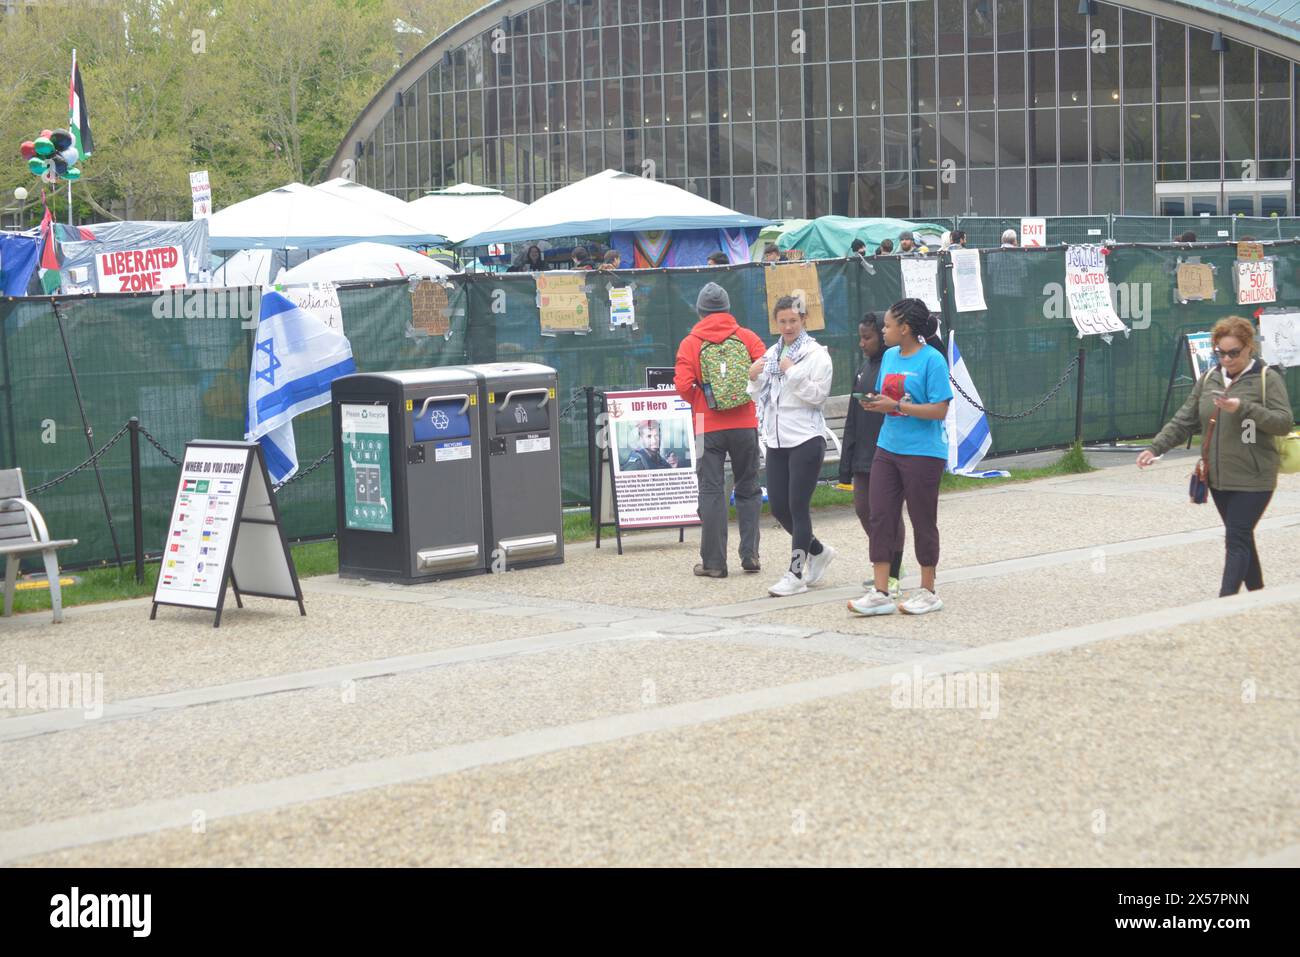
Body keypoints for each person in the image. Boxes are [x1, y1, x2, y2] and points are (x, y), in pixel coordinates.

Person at [1139, 317, 1293, 596]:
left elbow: (1283, 422)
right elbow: (1184, 420)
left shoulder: (1266, 379)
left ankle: (1224, 605)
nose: (1227, 359)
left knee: (1236, 539)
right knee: (1242, 537)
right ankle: (1259, 596)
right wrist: (1155, 448)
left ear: (1249, 349)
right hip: (1219, 478)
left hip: (1255, 478)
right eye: (1220, 353)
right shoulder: (1210, 379)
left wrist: (1244, 407)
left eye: (1233, 352)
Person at [849, 298, 952, 617]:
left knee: (923, 519)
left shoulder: (932, 360)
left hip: (923, 452)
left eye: (889, 325)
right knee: (880, 516)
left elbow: (940, 409)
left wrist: (896, 407)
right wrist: (875, 403)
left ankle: (928, 590)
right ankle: (881, 592)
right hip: (887, 447)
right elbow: (888, 397)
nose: (884, 330)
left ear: (905, 329)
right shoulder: (890, 357)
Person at [674, 282, 767, 578]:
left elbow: (682, 385)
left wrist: (703, 402)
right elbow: (764, 369)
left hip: (705, 424)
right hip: (745, 422)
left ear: (700, 311)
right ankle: (750, 553)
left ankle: (714, 563)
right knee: (749, 488)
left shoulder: (691, 342)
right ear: (728, 308)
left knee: (710, 491)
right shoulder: (747, 337)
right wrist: (744, 397)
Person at [747, 295, 836, 596]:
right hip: (776, 439)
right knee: (780, 507)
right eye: (782, 321)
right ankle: (819, 551)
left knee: (799, 507)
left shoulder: (816, 355)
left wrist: (792, 371)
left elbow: (818, 396)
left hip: (806, 438)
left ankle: (796, 572)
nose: (787, 327)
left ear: (803, 321)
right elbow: (758, 395)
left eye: (793, 321)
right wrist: (754, 378)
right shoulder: (772, 353)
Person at [839, 312, 904, 598]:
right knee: (863, 509)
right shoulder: (864, 368)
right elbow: (853, 418)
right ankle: (885, 562)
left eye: (868, 338)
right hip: (863, 454)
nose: (862, 344)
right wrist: (847, 461)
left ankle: (892, 573)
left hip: (887, 450)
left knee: (886, 514)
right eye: (860, 338)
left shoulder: (892, 366)